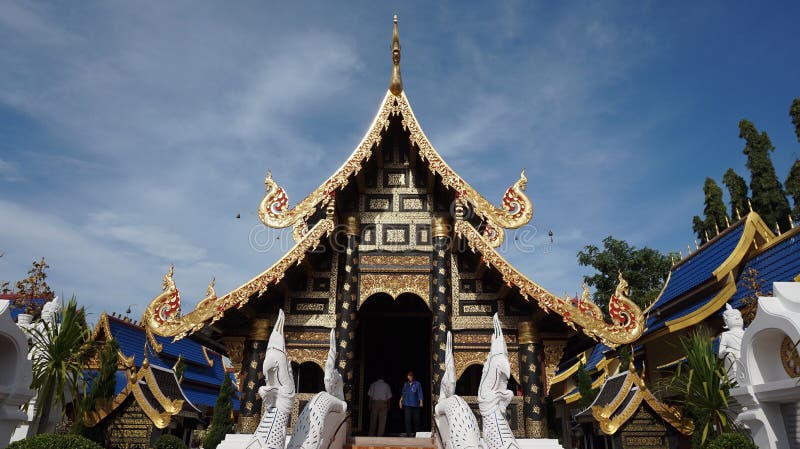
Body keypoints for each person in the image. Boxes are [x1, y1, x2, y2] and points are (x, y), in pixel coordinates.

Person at [399, 370, 423, 437]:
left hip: (415, 404)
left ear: (413, 377)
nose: (409, 377)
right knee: (407, 420)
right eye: (408, 376)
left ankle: (416, 434)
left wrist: (421, 401)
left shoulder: (417, 384)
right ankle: (408, 434)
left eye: (410, 376)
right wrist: (400, 401)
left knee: (416, 420)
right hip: (407, 404)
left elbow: (420, 393)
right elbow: (403, 393)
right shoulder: (405, 384)